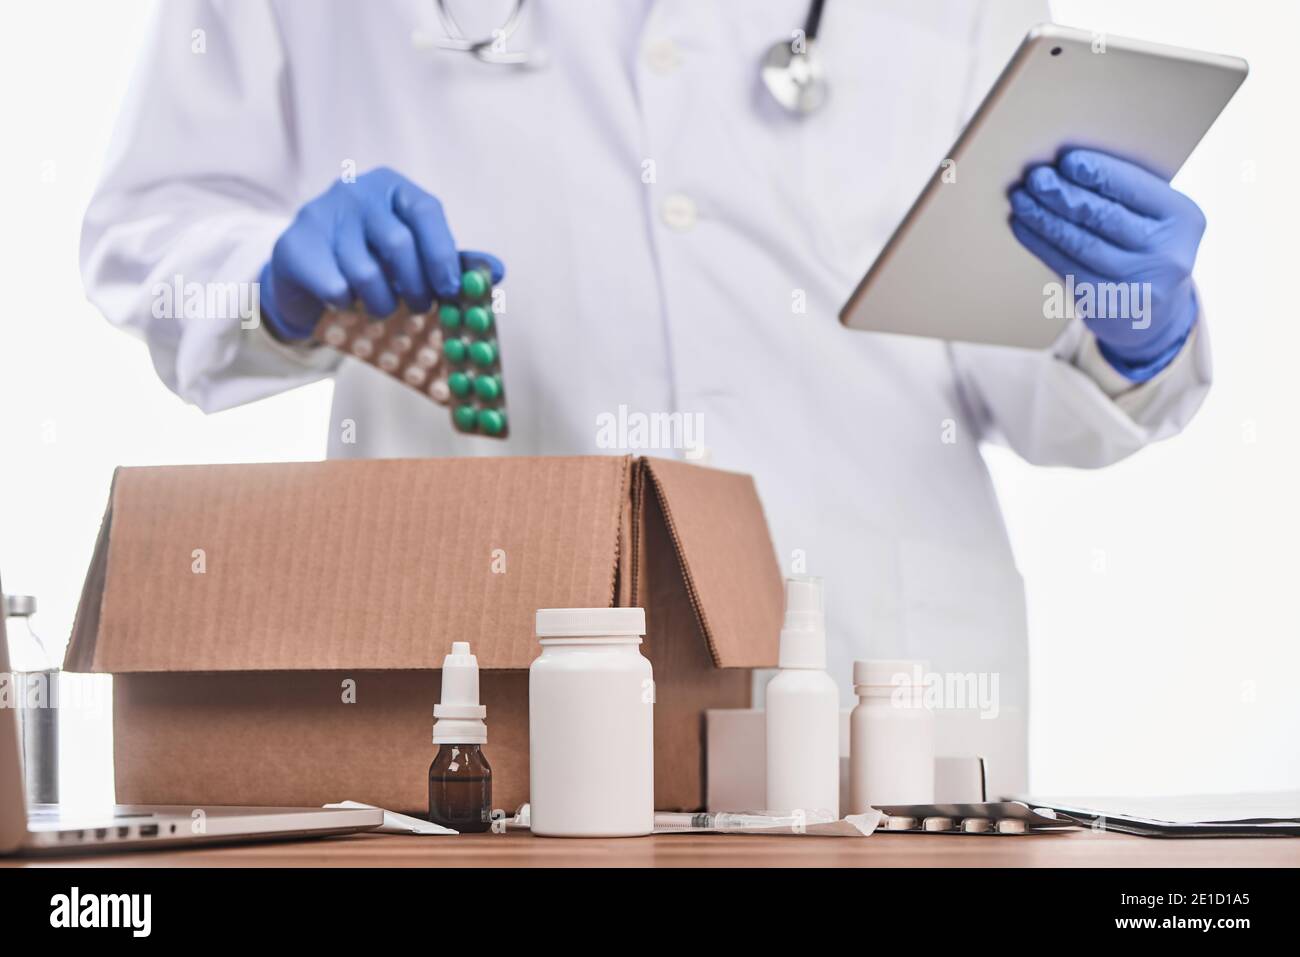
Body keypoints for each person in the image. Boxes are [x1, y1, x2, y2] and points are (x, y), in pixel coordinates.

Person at [80, 0, 1212, 795]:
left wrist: (1122, 326)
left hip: (876, 670)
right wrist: (269, 276)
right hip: (499, 666)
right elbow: (150, 225)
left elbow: (1019, 377)